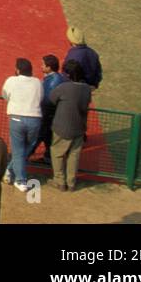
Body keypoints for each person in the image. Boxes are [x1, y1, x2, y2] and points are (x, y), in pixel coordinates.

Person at [47, 60, 93, 191]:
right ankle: (71, 183)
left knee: (57, 153)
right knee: (74, 155)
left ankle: (59, 181)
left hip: (62, 127)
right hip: (79, 127)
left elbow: (51, 99)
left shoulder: (64, 87)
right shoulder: (86, 89)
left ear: (67, 74)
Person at [2, 57, 43, 191]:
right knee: (27, 148)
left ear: (18, 70)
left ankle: (20, 180)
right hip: (35, 119)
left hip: (17, 118)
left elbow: (5, 95)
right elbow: (41, 98)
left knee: (19, 150)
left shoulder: (11, 80)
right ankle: (10, 171)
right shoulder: (37, 82)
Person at [33, 54, 65, 163]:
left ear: (49, 67)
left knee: (38, 136)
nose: (41, 66)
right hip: (52, 114)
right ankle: (48, 157)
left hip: (47, 114)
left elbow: (47, 100)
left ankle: (24, 156)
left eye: (43, 65)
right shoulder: (59, 78)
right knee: (47, 136)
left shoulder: (52, 81)